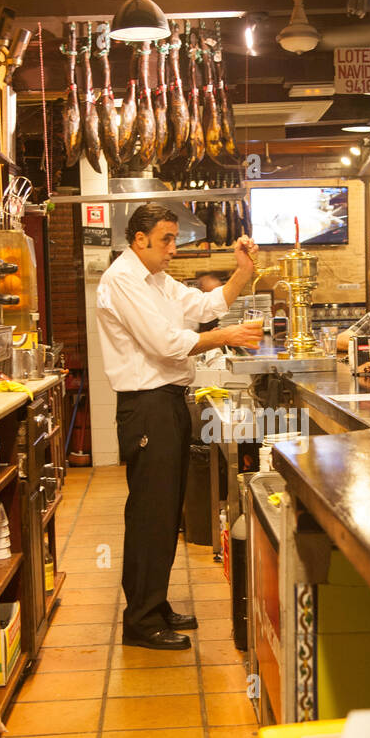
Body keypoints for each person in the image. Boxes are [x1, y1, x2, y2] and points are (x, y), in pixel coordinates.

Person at [95, 203, 264, 650]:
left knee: (166, 512)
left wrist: (241, 272)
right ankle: (141, 621)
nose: (174, 248)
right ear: (139, 240)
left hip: (165, 401)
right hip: (145, 406)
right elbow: (168, 344)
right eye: (166, 239)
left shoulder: (155, 279)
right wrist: (226, 336)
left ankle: (154, 603)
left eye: (174, 238)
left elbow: (204, 304)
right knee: (151, 514)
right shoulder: (123, 280)